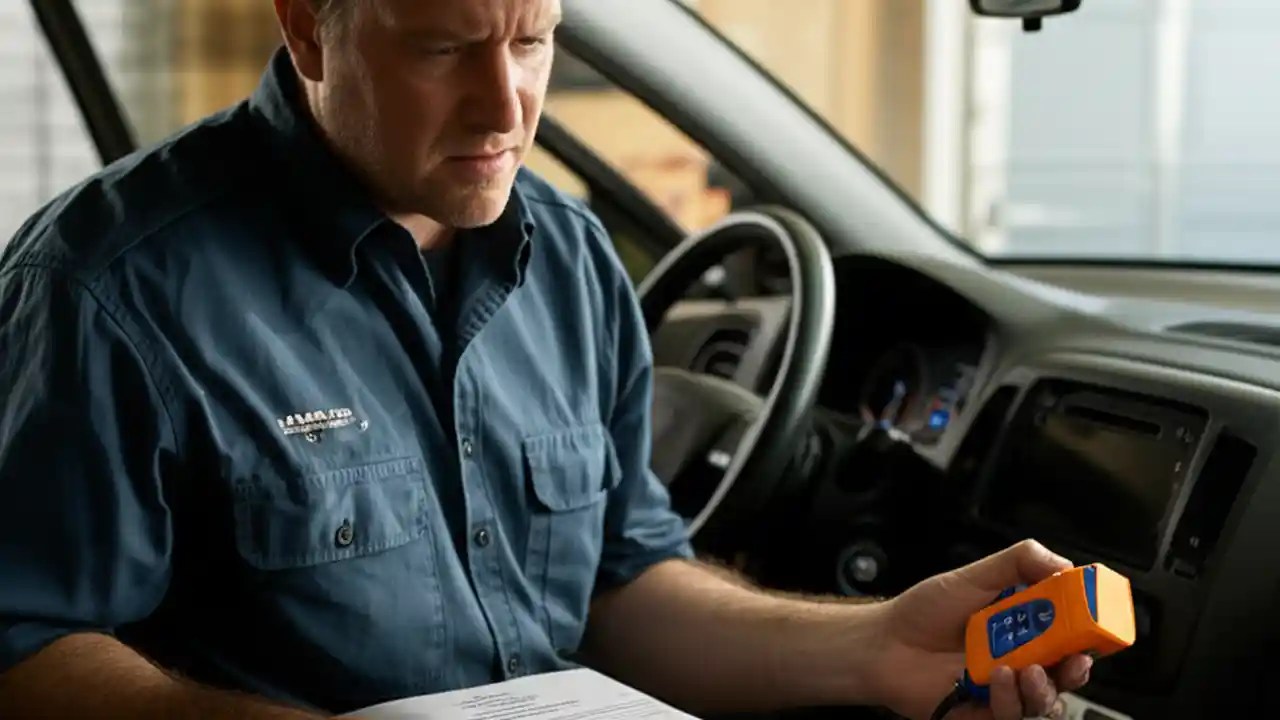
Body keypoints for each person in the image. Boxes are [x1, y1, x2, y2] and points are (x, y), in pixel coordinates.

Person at [0, 1, 1092, 718]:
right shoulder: (105, 289)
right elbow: (24, 649)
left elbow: (622, 581)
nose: (506, 104)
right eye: (443, 47)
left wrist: (869, 644)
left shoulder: (569, 259)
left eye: (531, 42)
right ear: (308, 29)